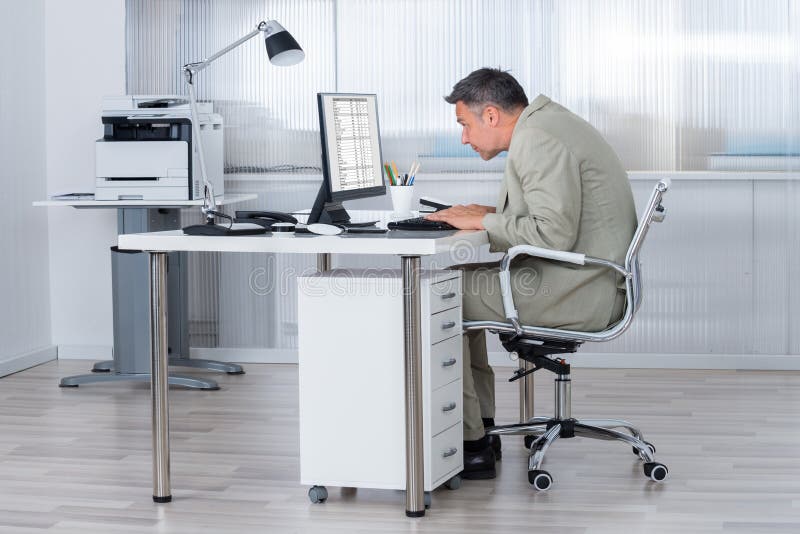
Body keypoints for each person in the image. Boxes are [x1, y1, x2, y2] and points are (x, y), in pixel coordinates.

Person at [427, 68, 637, 479]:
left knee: (439, 292)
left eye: (464, 125)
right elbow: (553, 217)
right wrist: (488, 214)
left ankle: (472, 446)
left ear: (490, 115)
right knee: (456, 283)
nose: (464, 138)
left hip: (577, 288)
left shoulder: (537, 139)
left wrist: (484, 223)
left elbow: (552, 234)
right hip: (589, 279)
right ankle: (479, 433)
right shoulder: (546, 124)